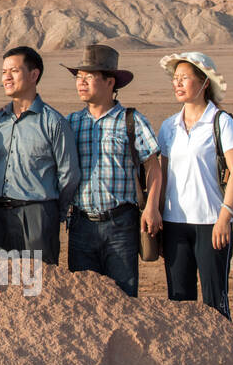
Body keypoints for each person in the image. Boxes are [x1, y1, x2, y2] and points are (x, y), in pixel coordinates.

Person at [63, 45, 162, 296]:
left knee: (123, 297)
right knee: (83, 300)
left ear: (110, 82)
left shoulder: (132, 120)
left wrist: (151, 207)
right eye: (78, 77)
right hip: (81, 225)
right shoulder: (71, 123)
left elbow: (153, 167)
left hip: (121, 223)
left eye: (89, 77)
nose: (81, 83)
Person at [156, 51, 233, 320]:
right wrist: (158, 219)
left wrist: (224, 217)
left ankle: (223, 360)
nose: (178, 83)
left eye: (185, 78)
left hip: (211, 224)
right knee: (179, 303)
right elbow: (162, 176)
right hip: (174, 225)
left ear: (204, 83)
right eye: (175, 78)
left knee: (215, 301)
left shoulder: (220, 122)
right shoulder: (168, 126)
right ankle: (186, 361)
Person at [0, 45, 80, 265]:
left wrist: (53, 211)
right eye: (3, 72)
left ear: (34, 75)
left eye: (14, 71)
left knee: (38, 285)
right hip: (0, 214)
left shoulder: (53, 122)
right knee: (2, 284)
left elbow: (69, 175)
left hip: (38, 214)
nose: (6, 77)